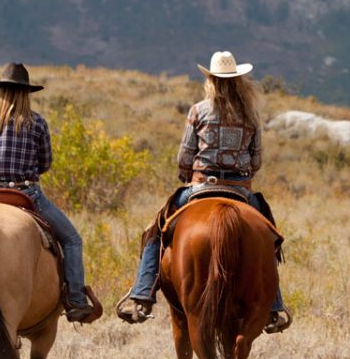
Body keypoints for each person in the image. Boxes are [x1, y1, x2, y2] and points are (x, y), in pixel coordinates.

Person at [116, 51, 291, 333]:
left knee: (154, 231)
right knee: (269, 239)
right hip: (240, 190)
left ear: (210, 80)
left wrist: (186, 174)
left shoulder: (198, 110)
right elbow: (256, 160)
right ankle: (274, 306)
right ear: (238, 80)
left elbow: (185, 156)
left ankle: (142, 293)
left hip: (201, 186)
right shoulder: (250, 114)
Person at [0, 63, 94, 322]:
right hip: (26, 194)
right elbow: (46, 162)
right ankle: (76, 298)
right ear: (26, 94)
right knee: (72, 240)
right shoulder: (37, 122)